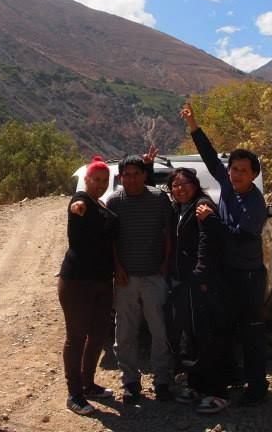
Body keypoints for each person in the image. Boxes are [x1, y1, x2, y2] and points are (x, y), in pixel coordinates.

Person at [181, 102, 270, 405]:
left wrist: (211, 219)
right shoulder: (229, 186)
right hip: (228, 274)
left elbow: (240, 239)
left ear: (253, 174)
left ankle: (257, 389)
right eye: (233, 169)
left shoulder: (255, 203)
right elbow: (209, 157)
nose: (235, 175)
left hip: (248, 276)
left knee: (252, 333)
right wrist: (194, 126)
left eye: (243, 171)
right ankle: (231, 379)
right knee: (225, 328)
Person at [106, 153, 175, 404]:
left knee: (160, 331)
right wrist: (118, 267)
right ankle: (130, 381)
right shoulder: (114, 202)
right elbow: (111, 240)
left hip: (154, 275)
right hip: (126, 278)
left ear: (145, 175)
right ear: (120, 177)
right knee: (125, 331)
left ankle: (163, 380)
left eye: (137, 174)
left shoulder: (159, 199)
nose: (132, 179)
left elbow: (168, 234)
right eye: (127, 175)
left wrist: (165, 265)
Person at [166, 167, 233, 414]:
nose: (180, 188)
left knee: (208, 335)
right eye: (175, 185)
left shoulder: (202, 206)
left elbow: (208, 242)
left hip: (202, 283)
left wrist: (200, 274)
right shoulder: (178, 209)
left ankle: (218, 392)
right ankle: (196, 384)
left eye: (185, 184)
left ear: (195, 185)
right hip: (183, 282)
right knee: (190, 335)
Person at [57, 156, 119, 416]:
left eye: (105, 181)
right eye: (96, 180)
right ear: (87, 180)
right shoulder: (81, 200)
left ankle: (88, 383)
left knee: (98, 335)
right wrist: (78, 206)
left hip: (103, 281)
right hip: (77, 281)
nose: (101, 184)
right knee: (77, 337)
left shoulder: (101, 204)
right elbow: (77, 206)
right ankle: (74, 394)